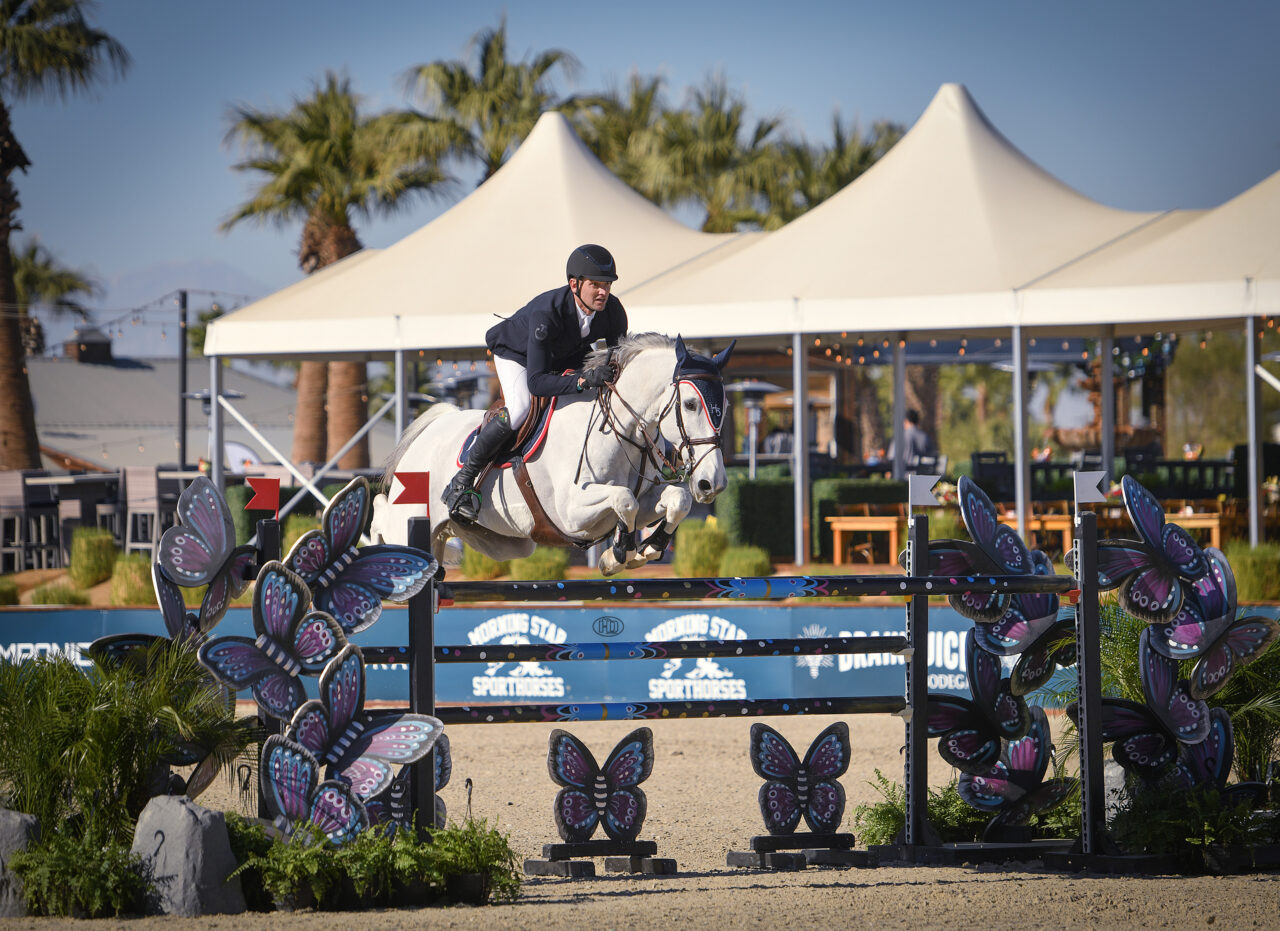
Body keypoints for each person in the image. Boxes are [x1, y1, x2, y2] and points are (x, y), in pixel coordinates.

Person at [445, 244, 628, 524]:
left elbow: (616, 361)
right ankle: (462, 482)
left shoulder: (613, 311)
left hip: (564, 351)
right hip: (517, 355)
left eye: (607, 284)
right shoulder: (548, 314)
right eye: (595, 285)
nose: (603, 292)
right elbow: (538, 382)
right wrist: (581, 381)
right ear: (574, 284)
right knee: (519, 408)